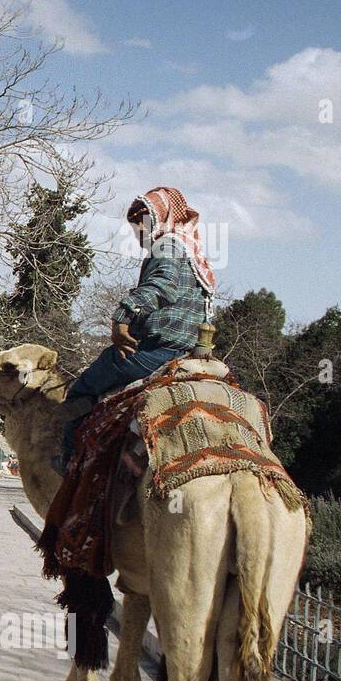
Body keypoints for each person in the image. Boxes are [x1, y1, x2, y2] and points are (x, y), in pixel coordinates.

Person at [56, 187, 216, 474]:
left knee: (83, 388)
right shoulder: (191, 250)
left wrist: (122, 316)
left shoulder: (166, 246)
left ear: (160, 217)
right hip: (187, 353)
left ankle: (70, 467)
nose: (138, 232)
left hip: (153, 353)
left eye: (141, 224)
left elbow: (162, 286)